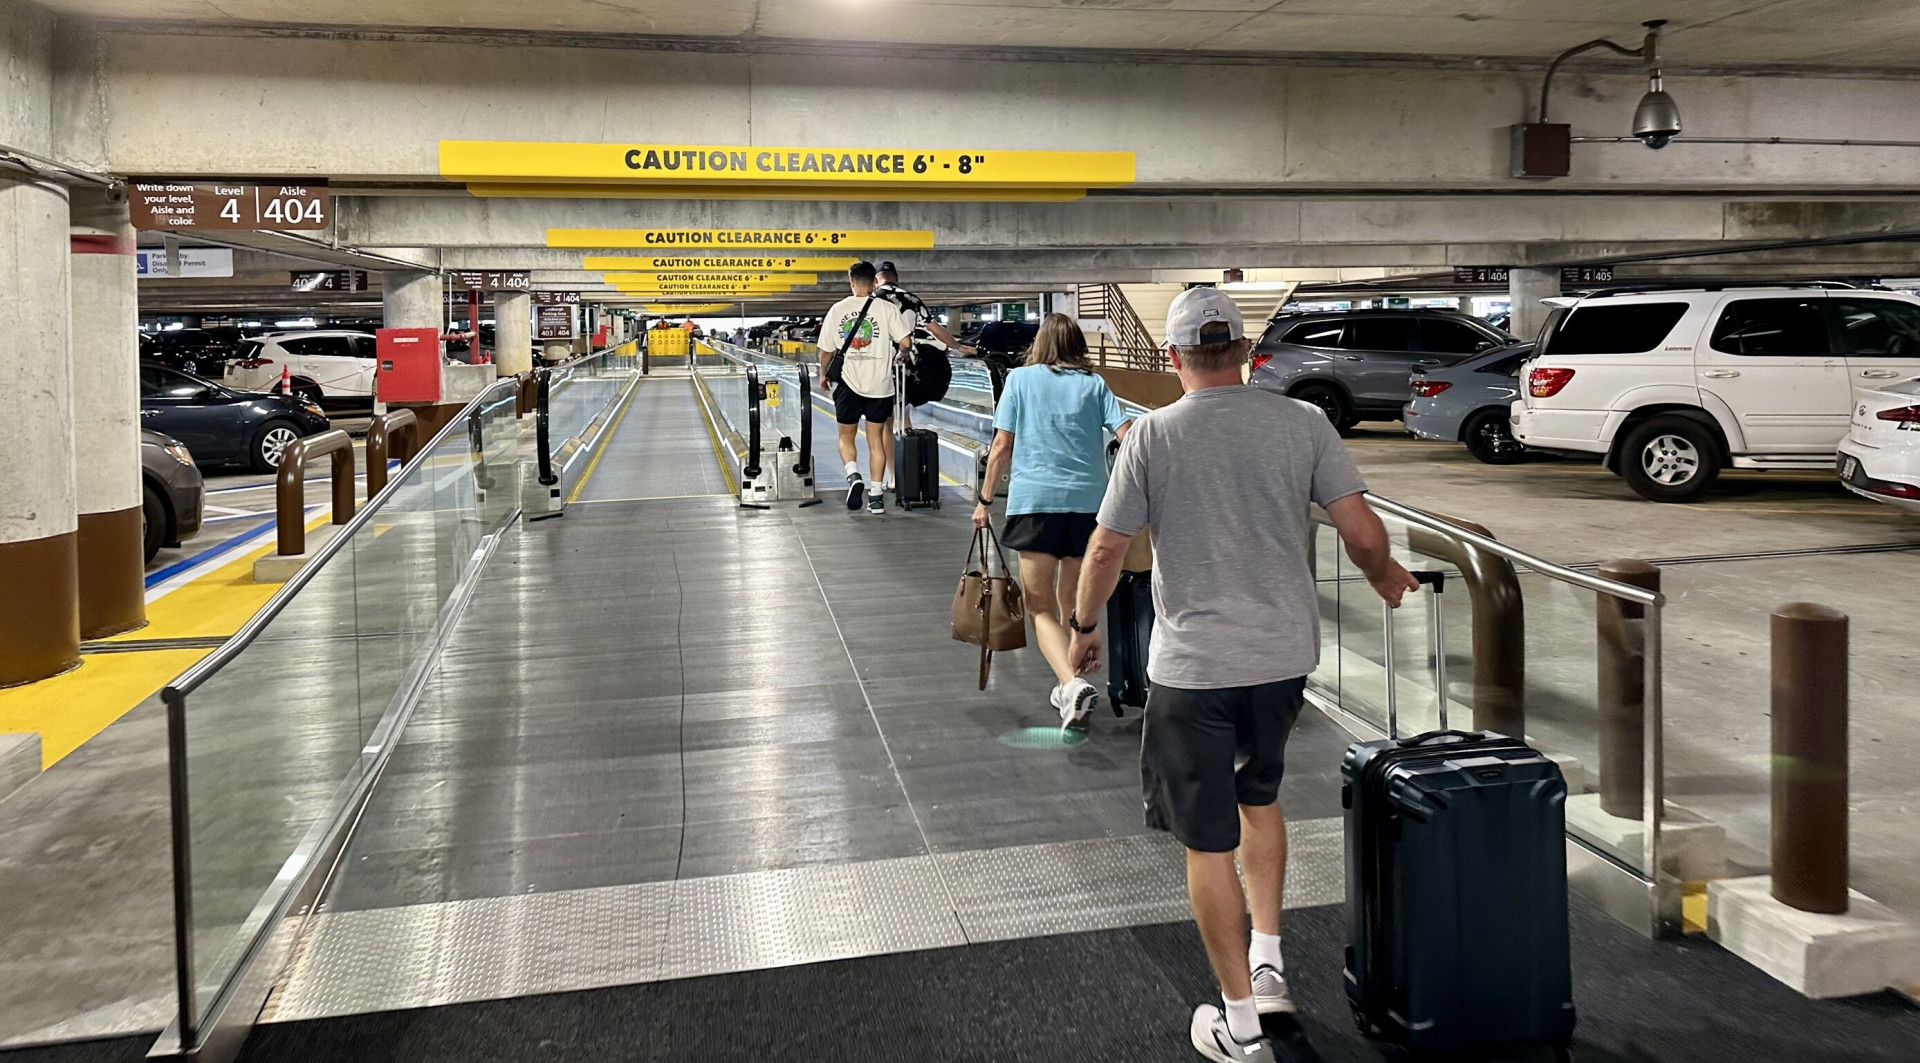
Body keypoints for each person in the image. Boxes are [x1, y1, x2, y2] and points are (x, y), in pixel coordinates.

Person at [1065, 288, 1418, 1063]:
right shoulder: (1304, 422)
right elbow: (1359, 529)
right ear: (1248, 351)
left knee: (1206, 838)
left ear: (1173, 356)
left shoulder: (1152, 436)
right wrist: (1386, 573)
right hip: (1281, 659)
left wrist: (1087, 627)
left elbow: (1102, 549)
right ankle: (1270, 962)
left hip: (1194, 668)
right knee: (1259, 795)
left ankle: (1241, 1021)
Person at [972, 314, 1131, 730]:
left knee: (1038, 606)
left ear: (1040, 343)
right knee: (1074, 606)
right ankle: (1070, 688)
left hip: (1035, 504)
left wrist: (984, 500)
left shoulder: (1020, 381)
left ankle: (1071, 683)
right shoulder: (1094, 385)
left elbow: (1002, 444)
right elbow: (1127, 435)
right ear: (1078, 344)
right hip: (1088, 508)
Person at [818, 260, 914, 514]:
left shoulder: (837, 309)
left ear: (851, 282)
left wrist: (823, 375)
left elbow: (826, 351)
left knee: (845, 437)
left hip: (848, 384)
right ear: (874, 282)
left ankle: (853, 475)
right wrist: (899, 355)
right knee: (876, 441)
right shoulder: (886, 309)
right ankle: (876, 496)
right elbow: (906, 342)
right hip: (881, 385)